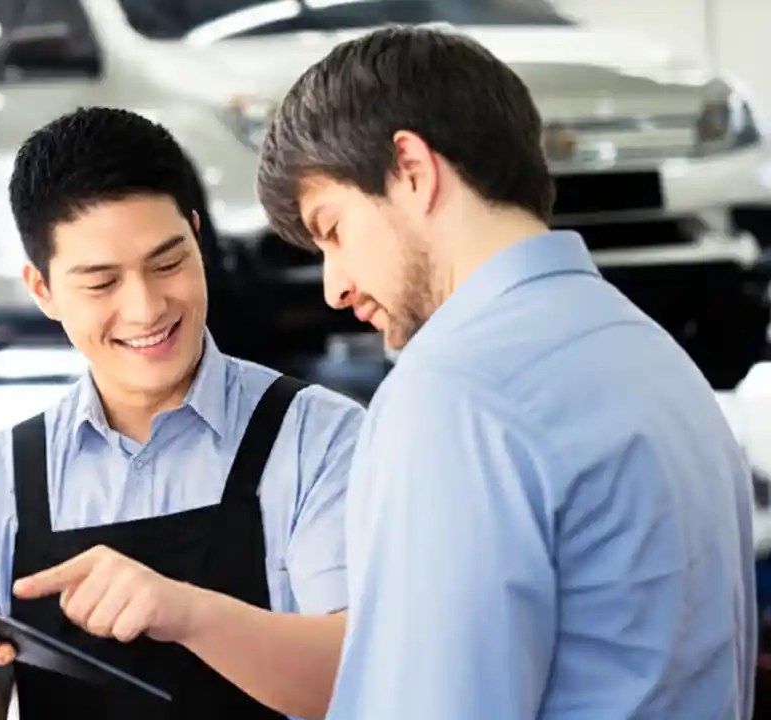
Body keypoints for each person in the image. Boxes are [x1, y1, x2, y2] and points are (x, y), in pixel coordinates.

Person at [246, 24, 755, 719]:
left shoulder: (451, 397)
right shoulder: (651, 356)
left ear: (412, 170)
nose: (334, 286)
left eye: (333, 229)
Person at [0, 106, 365, 720]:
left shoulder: (319, 439)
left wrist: (185, 612)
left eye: (168, 264)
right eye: (101, 283)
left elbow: (362, 675)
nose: (145, 309)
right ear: (42, 290)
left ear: (199, 238)